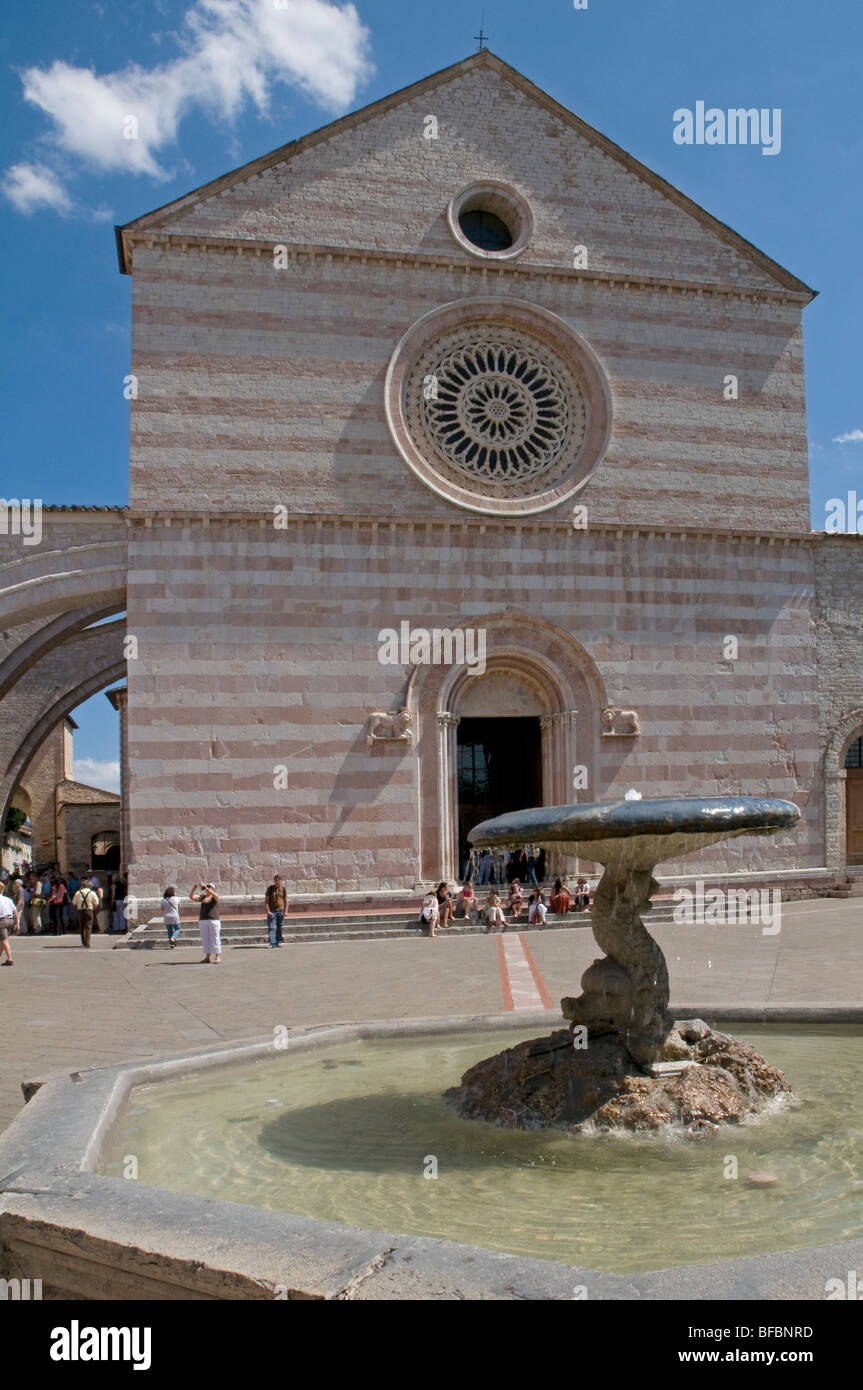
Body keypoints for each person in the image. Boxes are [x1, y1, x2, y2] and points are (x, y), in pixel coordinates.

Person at [190, 882, 221, 963]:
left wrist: (207, 888)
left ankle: (217, 956)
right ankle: (207, 957)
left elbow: (216, 896)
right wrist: (194, 888)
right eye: (208, 886)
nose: (208, 888)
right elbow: (191, 897)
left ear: (214, 889)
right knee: (205, 938)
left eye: (211, 887)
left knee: (215, 938)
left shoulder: (215, 896)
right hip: (203, 920)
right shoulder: (202, 897)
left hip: (213, 920)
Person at [72, 880, 101, 949]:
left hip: (81, 910)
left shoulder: (78, 892)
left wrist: (78, 906)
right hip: (89, 910)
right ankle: (87, 943)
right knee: (88, 926)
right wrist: (94, 908)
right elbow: (96, 903)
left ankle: (83, 941)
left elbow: (74, 903)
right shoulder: (92, 893)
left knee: (82, 926)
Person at [265, 874, 288, 948]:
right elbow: (266, 901)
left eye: (278, 881)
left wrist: (286, 911)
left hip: (281, 911)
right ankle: (272, 943)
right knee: (271, 927)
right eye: (275, 881)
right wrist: (268, 911)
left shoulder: (283, 889)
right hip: (272, 911)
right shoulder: (270, 889)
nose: (277, 882)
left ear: (281, 881)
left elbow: (286, 901)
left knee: (280, 927)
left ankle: (278, 941)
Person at [0, 887, 18, 965]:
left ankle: (10, 958)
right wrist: (17, 923)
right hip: (10, 920)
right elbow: (15, 911)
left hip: (2, 921)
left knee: (4, 940)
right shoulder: (8, 899)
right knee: (3, 941)